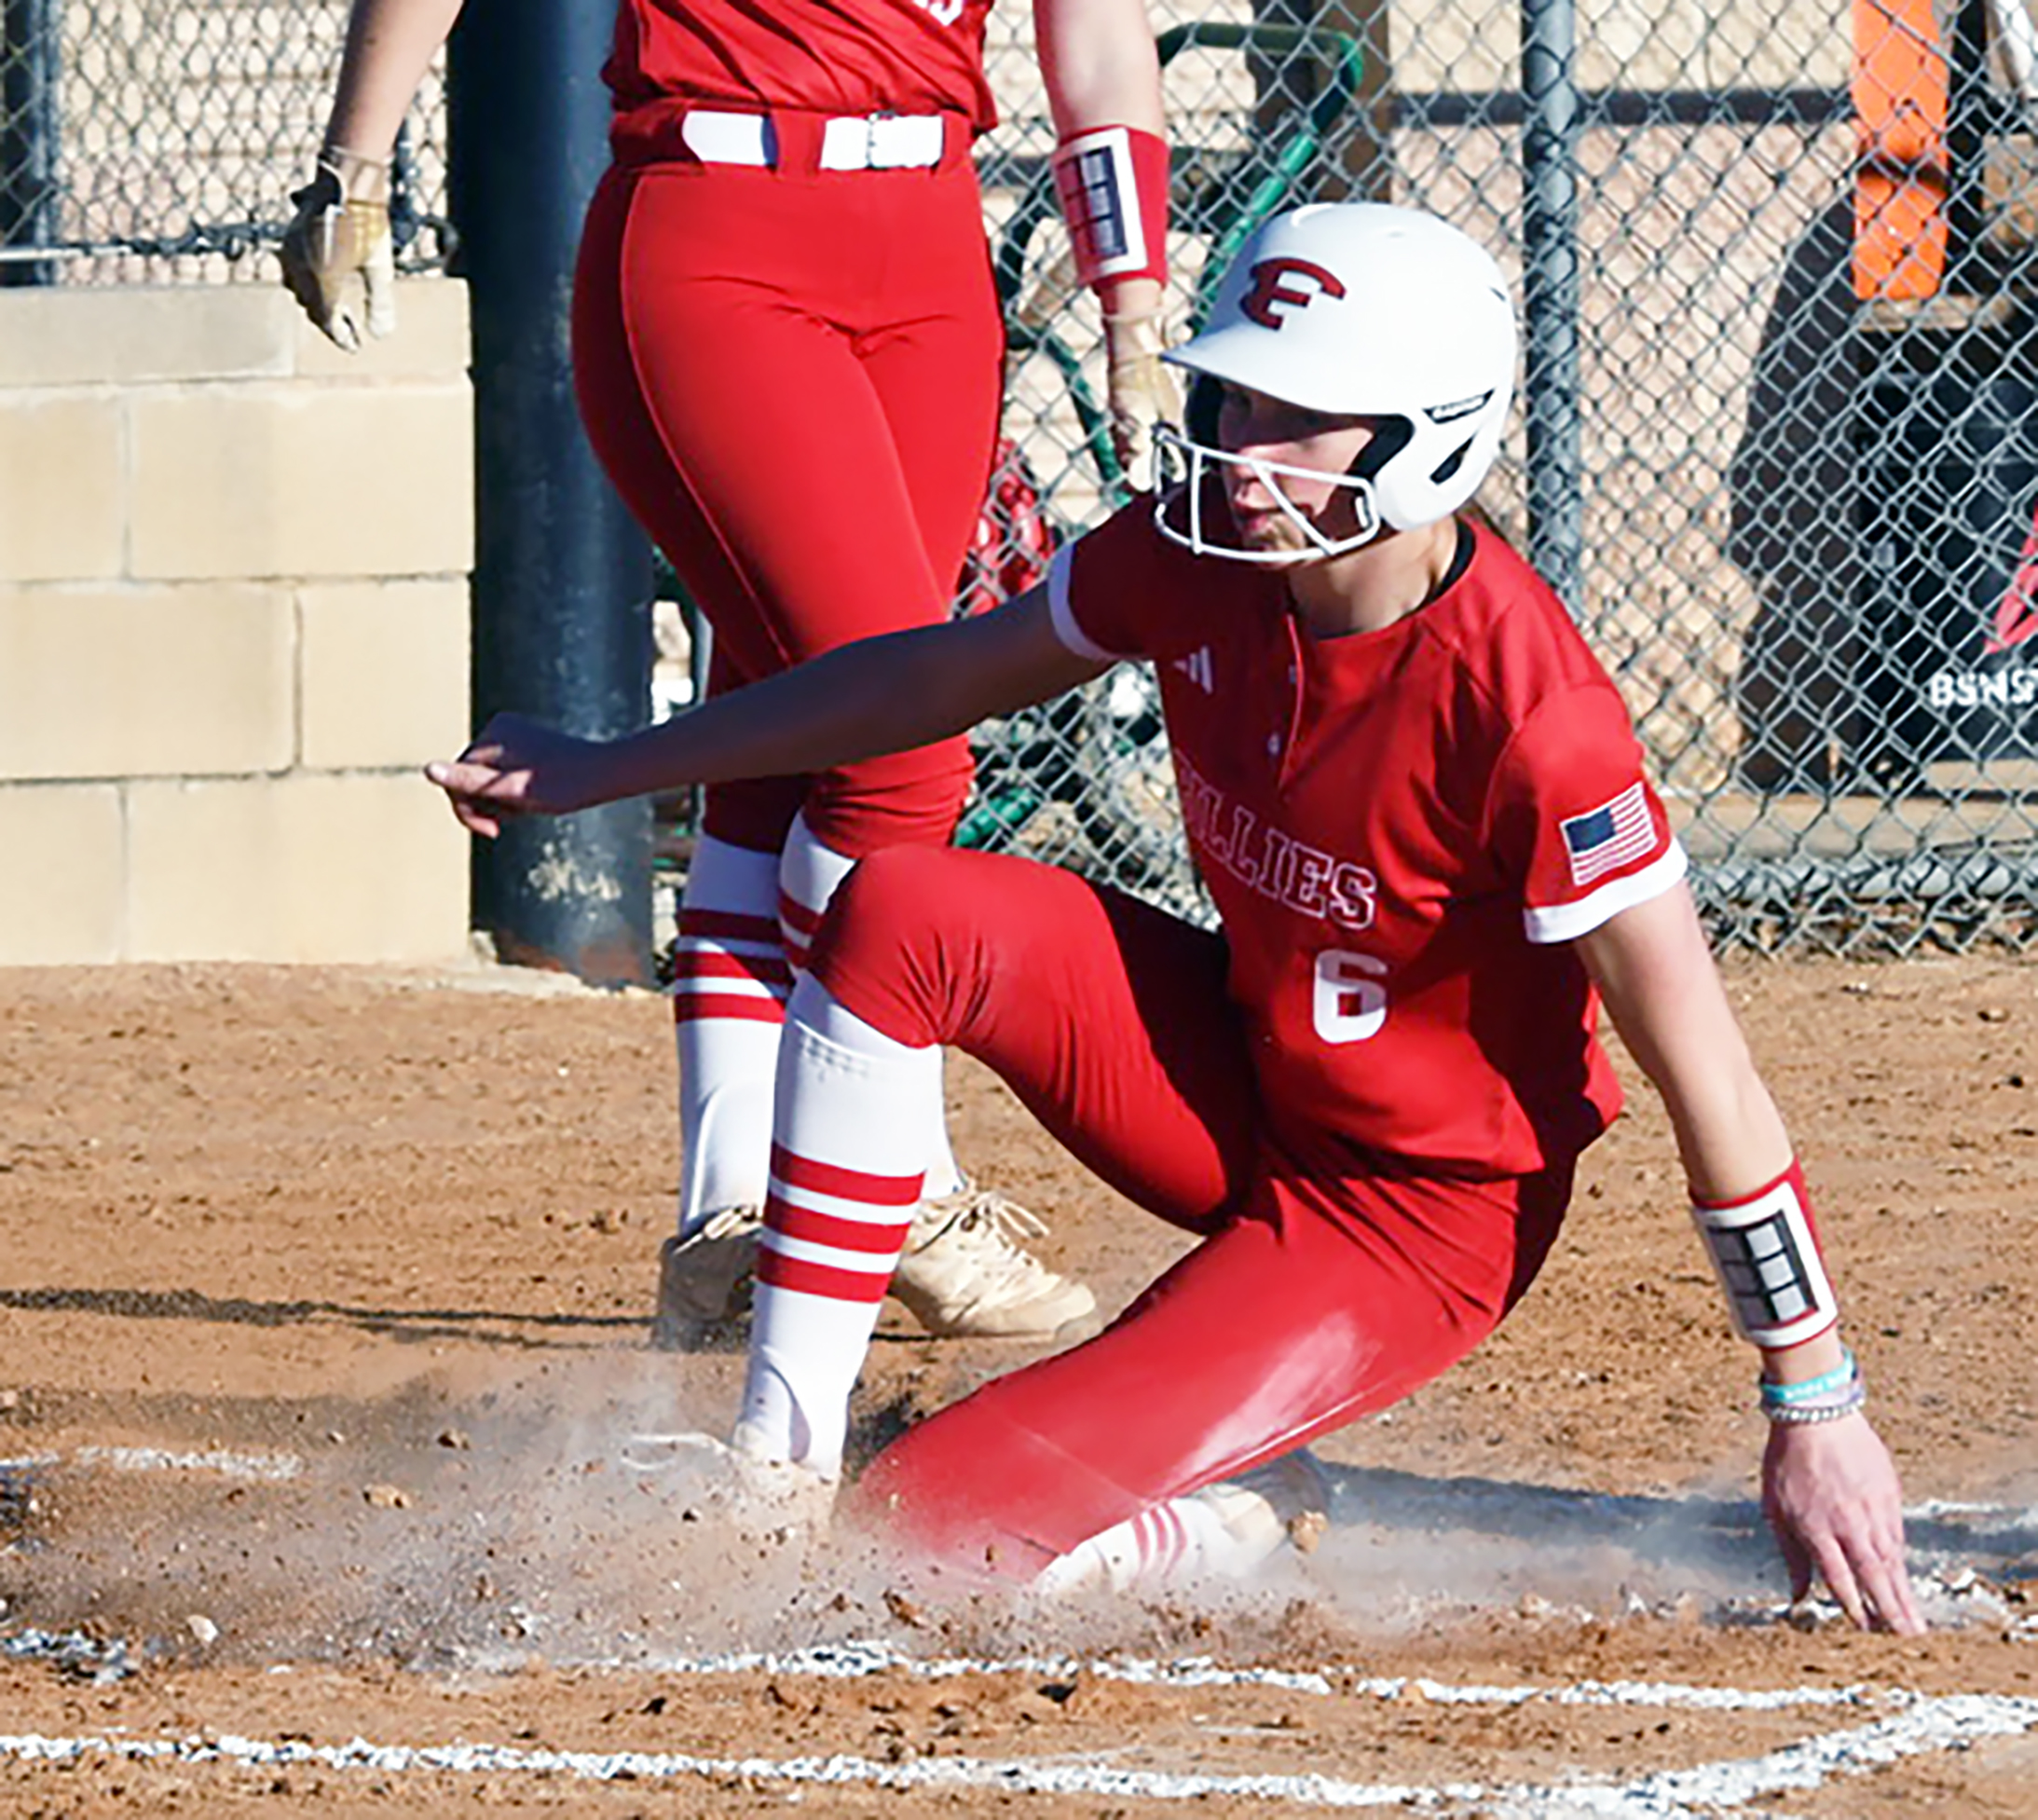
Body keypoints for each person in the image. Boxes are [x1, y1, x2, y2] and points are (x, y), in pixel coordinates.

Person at [423, 201, 1923, 1629]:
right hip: (1250, 1073)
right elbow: (915, 681)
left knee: (924, 1539)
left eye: (1291, 417)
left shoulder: (1537, 715)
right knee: (905, 905)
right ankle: (777, 1461)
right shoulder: (1202, 558)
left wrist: (1815, 1401)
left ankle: (1246, 1513)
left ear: (1432, 442)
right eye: (1232, 406)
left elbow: (1706, 1070)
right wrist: (611, 766)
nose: (1237, 449)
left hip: (1410, 1218)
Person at [280, 0, 1179, 1352]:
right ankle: (896, 1192)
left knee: (797, 728)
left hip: (931, 250)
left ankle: (728, 1228)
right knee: (903, 750)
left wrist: (1136, 300)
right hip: (722, 229)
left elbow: (1099, 44)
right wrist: (355, 165)